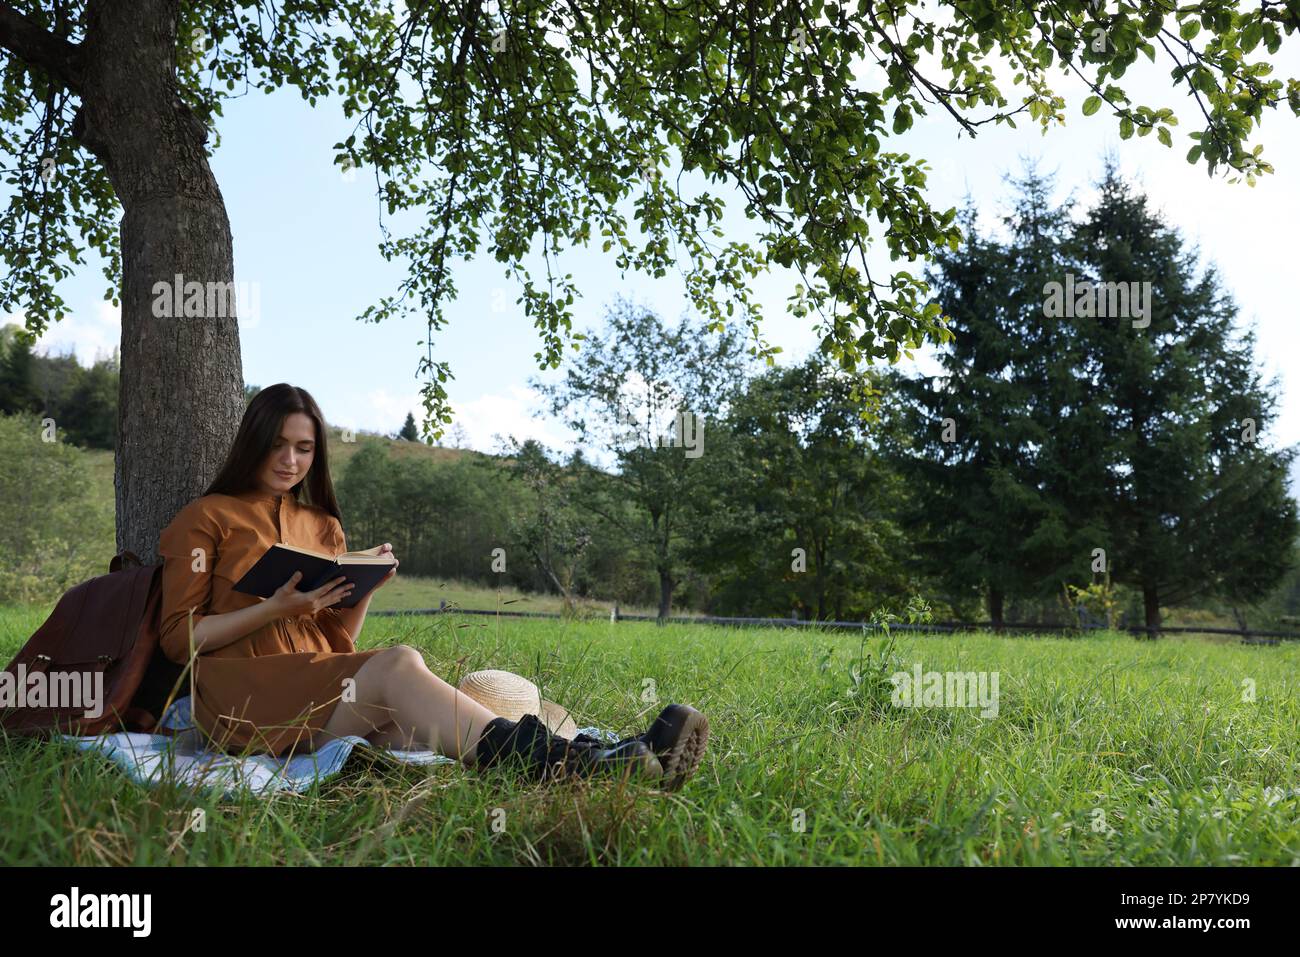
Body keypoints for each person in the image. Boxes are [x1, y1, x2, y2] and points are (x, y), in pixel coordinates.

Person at [156, 383, 709, 787]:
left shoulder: (322, 525)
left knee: (425, 733)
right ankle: (581, 760)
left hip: (319, 688)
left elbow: (338, 644)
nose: (290, 460)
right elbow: (178, 642)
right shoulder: (207, 517)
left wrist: (364, 589)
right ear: (253, 442)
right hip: (242, 697)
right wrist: (274, 609)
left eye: (304, 448)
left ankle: (602, 764)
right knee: (399, 663)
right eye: (278, 445)